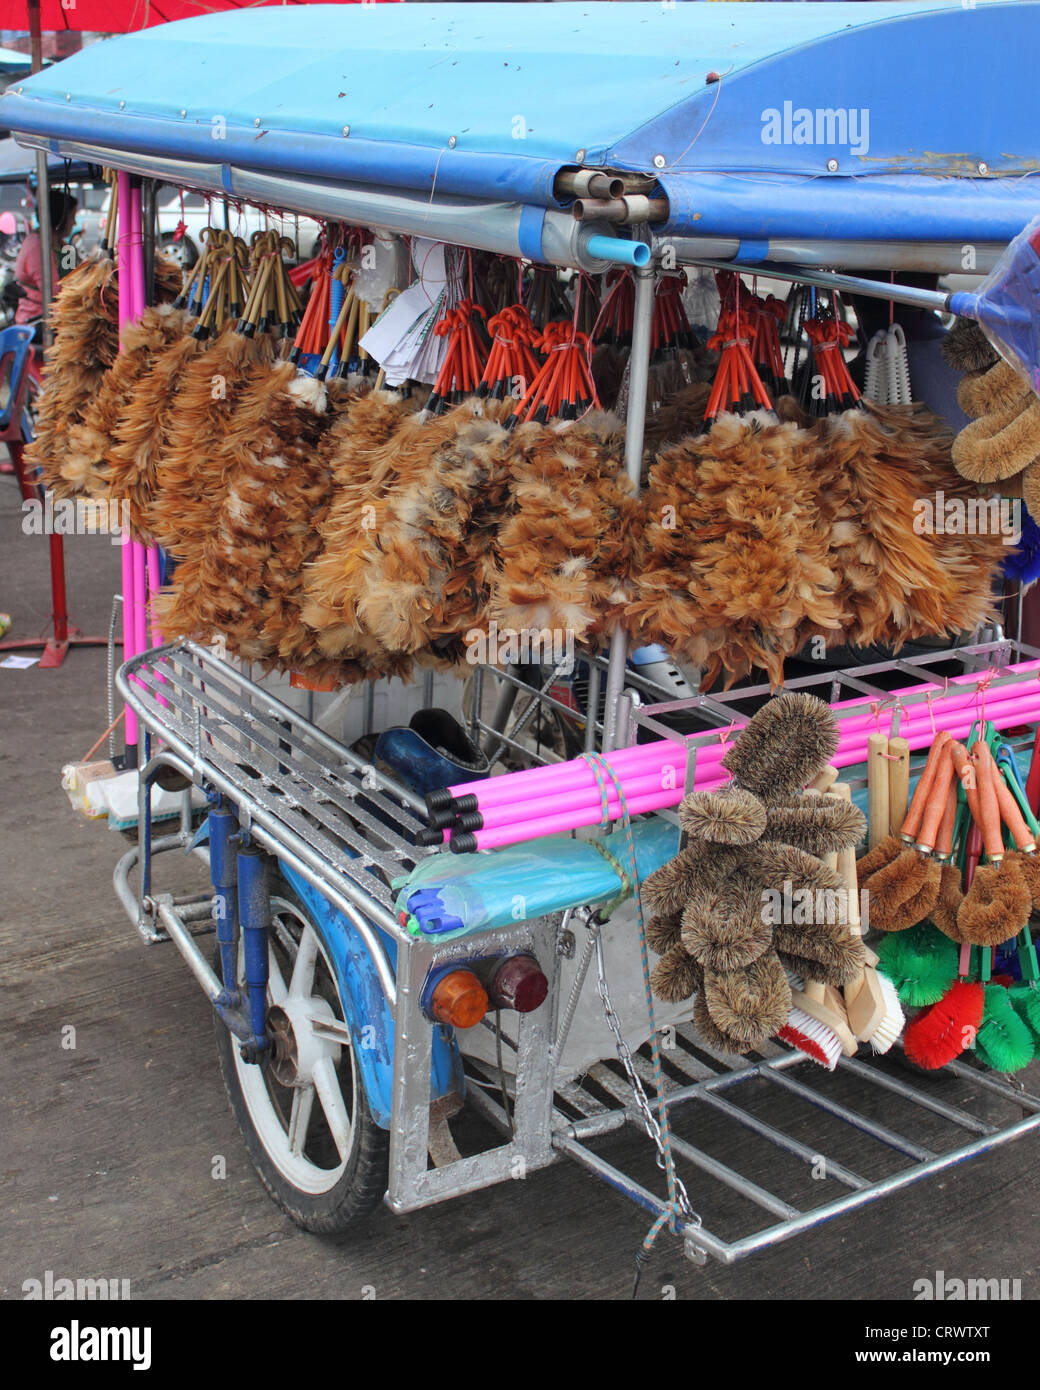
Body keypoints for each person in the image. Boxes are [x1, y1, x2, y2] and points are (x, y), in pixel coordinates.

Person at [14, 189, 78, 341]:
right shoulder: (37, 245)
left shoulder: (62, 245)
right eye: (72, 217)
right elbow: (57, 291)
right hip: (36, 325)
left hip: (56, 319)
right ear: (60, 218)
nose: (74, 223)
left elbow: (73, 276)